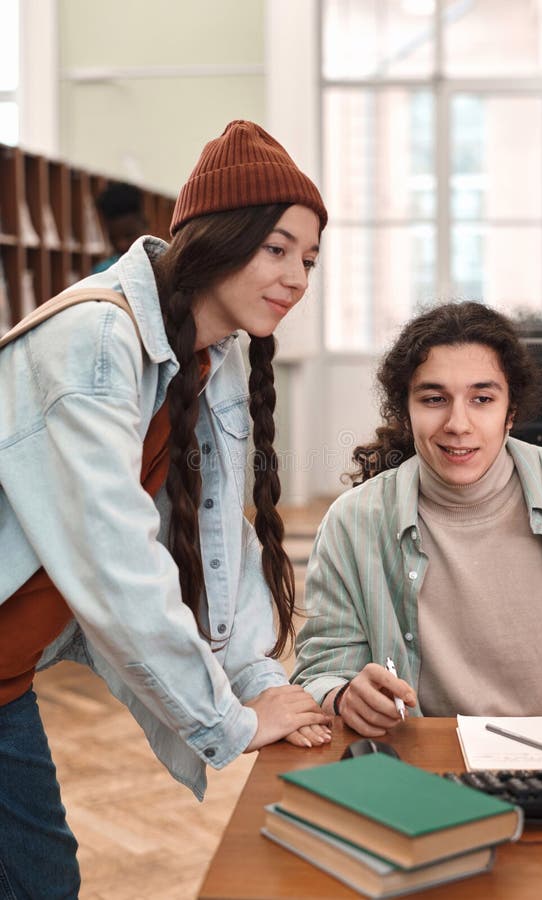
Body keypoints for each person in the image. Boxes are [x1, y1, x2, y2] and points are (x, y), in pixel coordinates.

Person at [0, 120, 332, 897]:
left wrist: (255, 680)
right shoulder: (97, 339)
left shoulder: (206, 360)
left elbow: (223, 540)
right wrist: (231, 720)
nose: (296, 278)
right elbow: (117, 559)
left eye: (310, 261)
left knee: (41, 879)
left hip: (7, 681)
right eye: (276, 249)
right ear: (217, 238)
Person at [292, 301, 542, 737]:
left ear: (511, 413)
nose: (458, 423)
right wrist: (343, 695)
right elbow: (322, 670)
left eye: (482, 399)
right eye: (434, 399)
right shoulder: (353, 522)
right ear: (405, 409)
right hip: (426, 764)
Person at [92, 181, 148, 273]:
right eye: (113, 238)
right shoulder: (103, 272)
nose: (121, 245)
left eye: (129, 235)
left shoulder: (163, 267)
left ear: (145, 225)